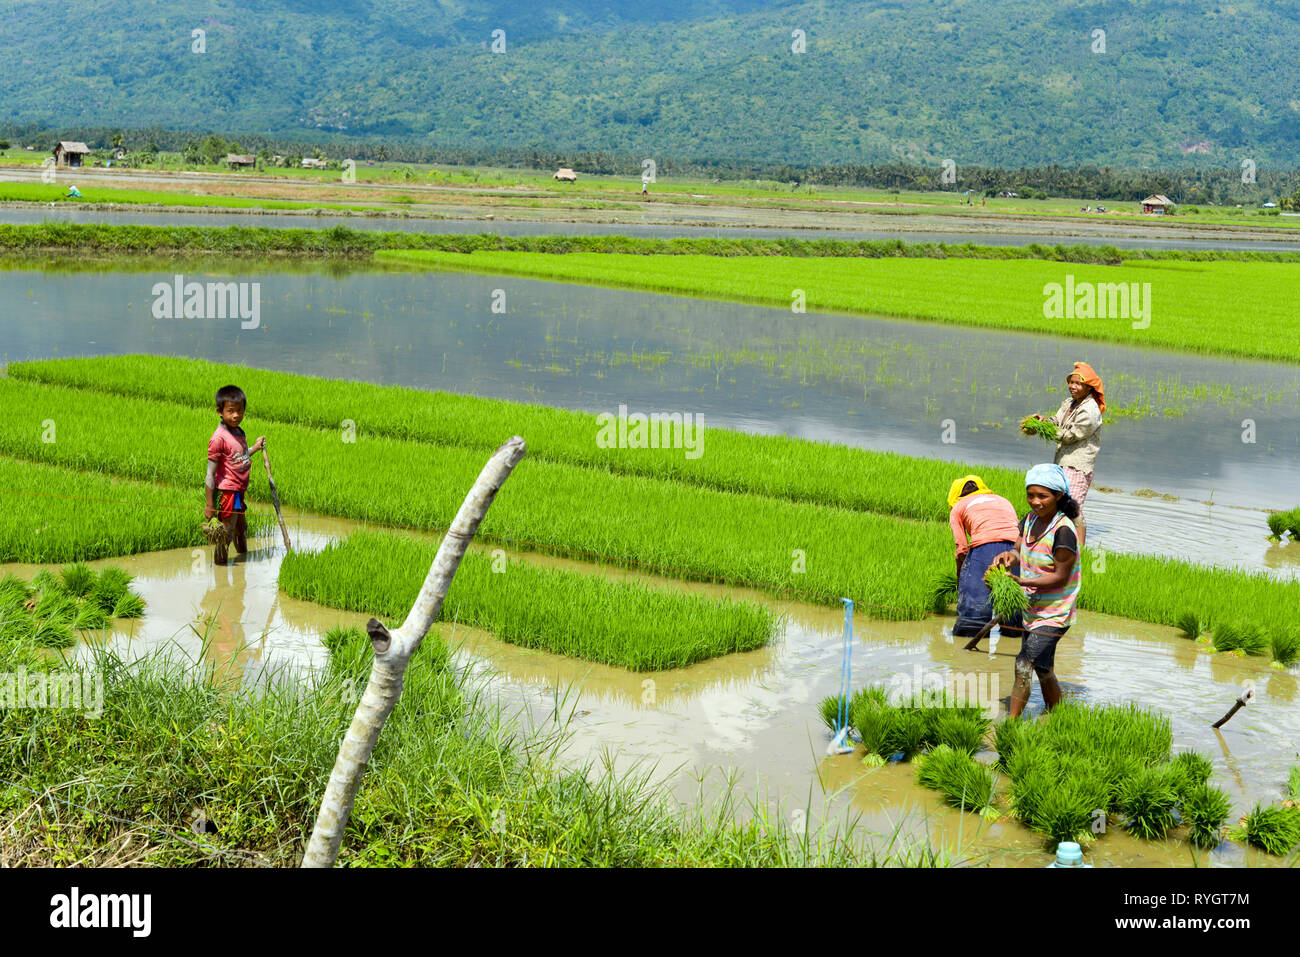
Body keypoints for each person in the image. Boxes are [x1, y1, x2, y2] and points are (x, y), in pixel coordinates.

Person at [992, 464, 1083, 718]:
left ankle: (1011, 724)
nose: (1035, 502)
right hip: (1033, 609)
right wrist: (1008, 557)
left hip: (1055, 613)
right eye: (1030, 495)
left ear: (1059, 496)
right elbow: (1017, 549)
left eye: (1043, 496)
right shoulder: (1030, 520)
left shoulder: (1063, 531)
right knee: (1043, 668)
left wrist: (1020, 582)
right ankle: (1056, 717)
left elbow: (1060, 576)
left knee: (1023, 663)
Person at [1029, 361, 1103, 548]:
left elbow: (1071, 435)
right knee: (1059, 504)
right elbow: (1057, 420)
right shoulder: (1069, 403)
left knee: (1073, 508)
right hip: (1062, 462)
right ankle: (1060, 544)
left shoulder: (1090, 410)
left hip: (1078, 464)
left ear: (1088, 387)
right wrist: (1043, 422)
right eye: (1071, 382)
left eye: (1078, 383)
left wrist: (1047, 431)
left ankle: (1079, 548)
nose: (1073, 386)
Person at [947, 474, 1024, 639]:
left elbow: (961, 549)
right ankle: (1011, 637)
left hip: (984, 547)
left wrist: (962, 577)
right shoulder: (1003, 500)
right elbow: (1018, 532)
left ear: (955, 496)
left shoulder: (959, 506)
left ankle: (968, 644)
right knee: (1013, 610)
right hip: (1016, 552)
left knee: (974, 615)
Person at [205, 385, 265, 565]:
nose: (236, 415)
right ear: (220, 412)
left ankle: (243, 563)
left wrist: (255, 447)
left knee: (241, 527)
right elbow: (210, 474)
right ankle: (220, 567)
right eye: (231, 411)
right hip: (228, 492)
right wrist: (209, 505)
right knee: (227, 531)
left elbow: (241, 457)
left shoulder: (238, 432)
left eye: (240, 411)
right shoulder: (218, 438)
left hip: (239, 490)